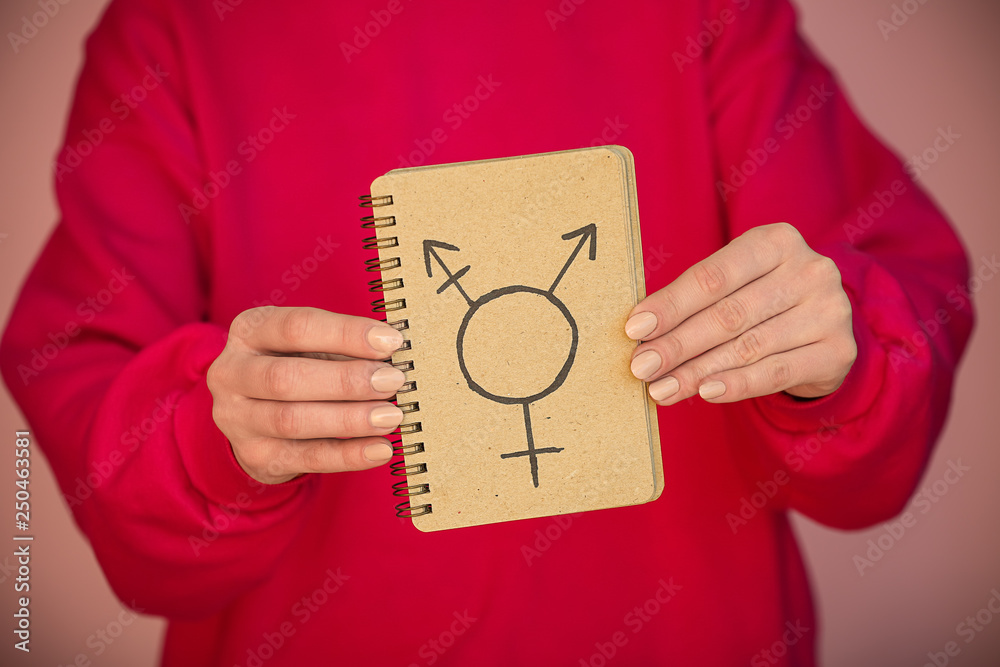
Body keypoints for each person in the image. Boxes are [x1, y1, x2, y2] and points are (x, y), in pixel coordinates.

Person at [0, 0, 973, 665]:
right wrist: (211, 437)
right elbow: (76, 364)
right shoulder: (172, 26)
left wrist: (829, 349)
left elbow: (891, 305)